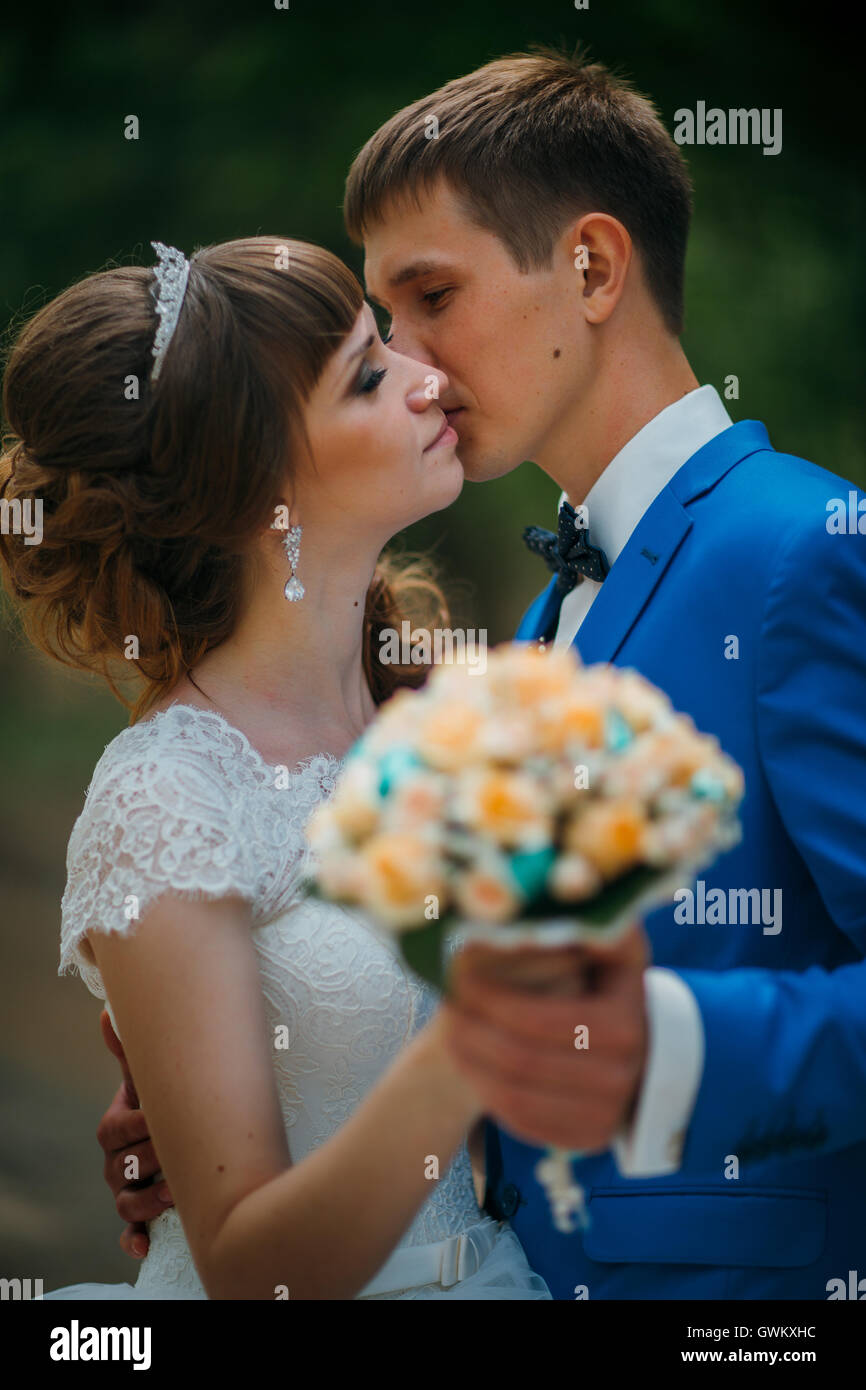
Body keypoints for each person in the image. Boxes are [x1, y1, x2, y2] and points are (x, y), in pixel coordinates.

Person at [97, 46, 866, 1300]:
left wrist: (666, 1048)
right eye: (383, 324)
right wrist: (243, 1119)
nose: (416, 366)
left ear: (592, 269)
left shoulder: (800, 552)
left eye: (431, 297)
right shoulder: (542, 613)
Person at [0, 235, 555, 1299]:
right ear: (259, 495)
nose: (427, 377)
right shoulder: (166, 793)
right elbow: (252, 1269)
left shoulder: (444, 718)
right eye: (366, 376)